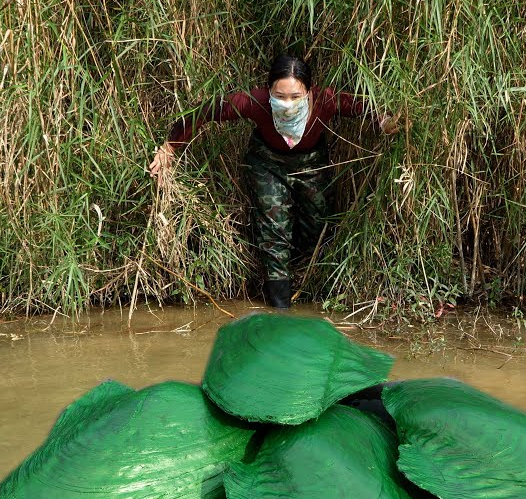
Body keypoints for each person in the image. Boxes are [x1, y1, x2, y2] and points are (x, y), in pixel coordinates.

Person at [148, 55, 400, 310]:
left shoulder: (325, 100)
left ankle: (307, 285)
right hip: (268, 163)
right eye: (279, 96)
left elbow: (362, 106)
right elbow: (208, 110)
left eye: (295, 96)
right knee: (274, 228)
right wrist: (170, 147)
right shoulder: (255, 102)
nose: (287, 104)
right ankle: (281, 308)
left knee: (317, 224)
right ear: (269, 92)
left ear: (309, 92)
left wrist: (385, 121)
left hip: (312, 164)